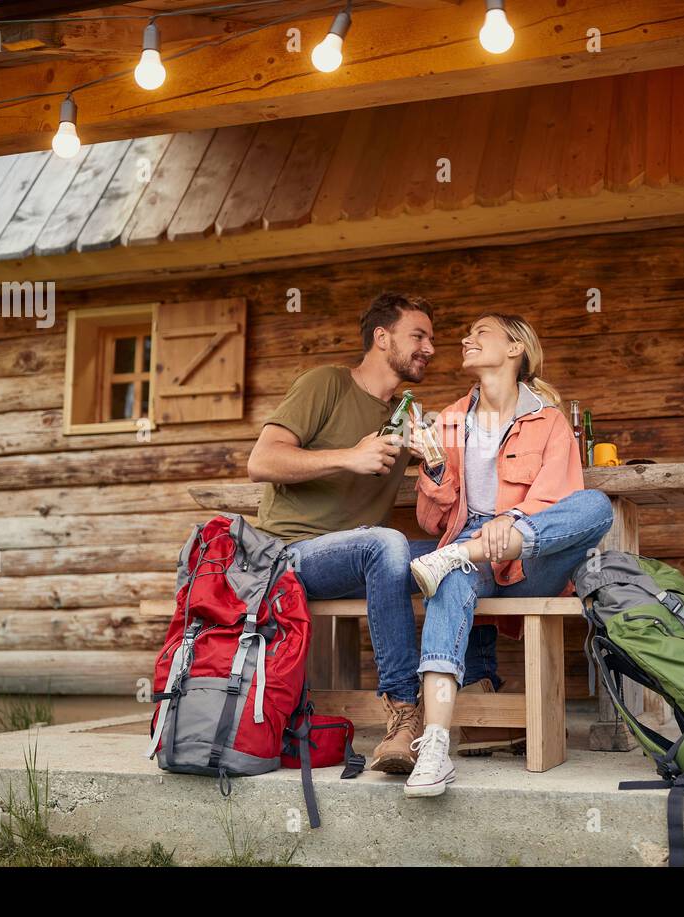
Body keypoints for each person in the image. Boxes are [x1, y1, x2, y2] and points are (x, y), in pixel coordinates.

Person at [247, 292, 501, 775]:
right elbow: (261, 461)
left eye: (432, 339)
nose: (429, 348)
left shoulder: (406, 416)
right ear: (382, 338)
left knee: (467, 550)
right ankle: (405, 712)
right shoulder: (327, 383)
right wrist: (348, 456)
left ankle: (481, 685)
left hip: (360, 559)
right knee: (385, 542)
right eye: (418, 336)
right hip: (291, 557)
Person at [403, 312, 614, 797]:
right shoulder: (452, 420)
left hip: (530, 553)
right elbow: (433, 523)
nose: (465, 339)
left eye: (481, 333)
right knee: (449, 575)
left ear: (515, 347)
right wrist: (434, 467)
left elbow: (557, 499)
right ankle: (434, 747)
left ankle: (463, 554)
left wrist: (512, 523)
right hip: (469, 552)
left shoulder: (549, 420)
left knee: (594, 507)